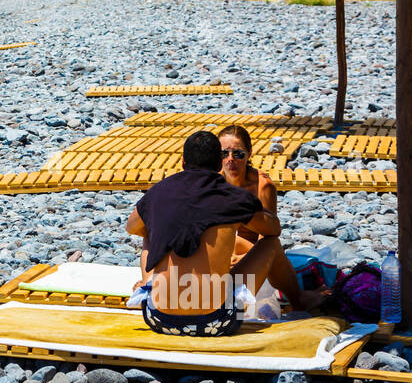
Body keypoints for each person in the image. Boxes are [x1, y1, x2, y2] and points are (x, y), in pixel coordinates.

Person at [126, 131, 325, 336]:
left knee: (148, 233)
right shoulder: (232, 197)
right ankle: (297, 300)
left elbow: (131, 228)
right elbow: (273, 231)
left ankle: (147, 286)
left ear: (183, 162)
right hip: (217, 321)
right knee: (271, 245)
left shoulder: (159, 191)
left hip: (159, 318)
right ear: (218, 164)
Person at [218, 124, 278, 262]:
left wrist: (241, 258)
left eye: (238, 154)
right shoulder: (212, 182)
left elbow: (269, 235)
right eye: (224, 154)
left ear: (249, 153)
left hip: (250, 255)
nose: (230, 159)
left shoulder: (262, 186)